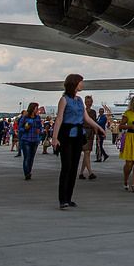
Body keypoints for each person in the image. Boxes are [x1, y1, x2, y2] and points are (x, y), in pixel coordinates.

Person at [52, 74, 106, 208]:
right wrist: (54, 138)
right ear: (74, 84)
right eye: (81, 82)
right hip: (67, 133)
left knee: (74, 166)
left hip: (78, 135)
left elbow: (85, 118)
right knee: (66, 166)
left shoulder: (79, 100)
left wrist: (98, 127)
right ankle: (62, 199)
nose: (82, 85)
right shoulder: (64, 100)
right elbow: (59, 118)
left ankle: (69, 198)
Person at [19, 102, 43, 179]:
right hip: (26, 139)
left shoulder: (37, 118)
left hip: (35, 139)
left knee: (32, 157)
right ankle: (26, 172)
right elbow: (20, 128)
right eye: (36, 108)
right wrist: (25, 129)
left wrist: (39, 130)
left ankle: (29, 171)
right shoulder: (25, 118)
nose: (37, 110)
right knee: (27, 157)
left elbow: (40, 126)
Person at [79, 95, 98, 180]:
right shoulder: (82, 111)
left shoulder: (93, 112)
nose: (89, 104)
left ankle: (81, 172)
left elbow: (94, 123)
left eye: (90, 102)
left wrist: (97, 134)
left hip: (90, 133)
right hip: (83, 133)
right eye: (87, 102)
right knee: (86, 152)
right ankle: (90, 172)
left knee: (87, 153)